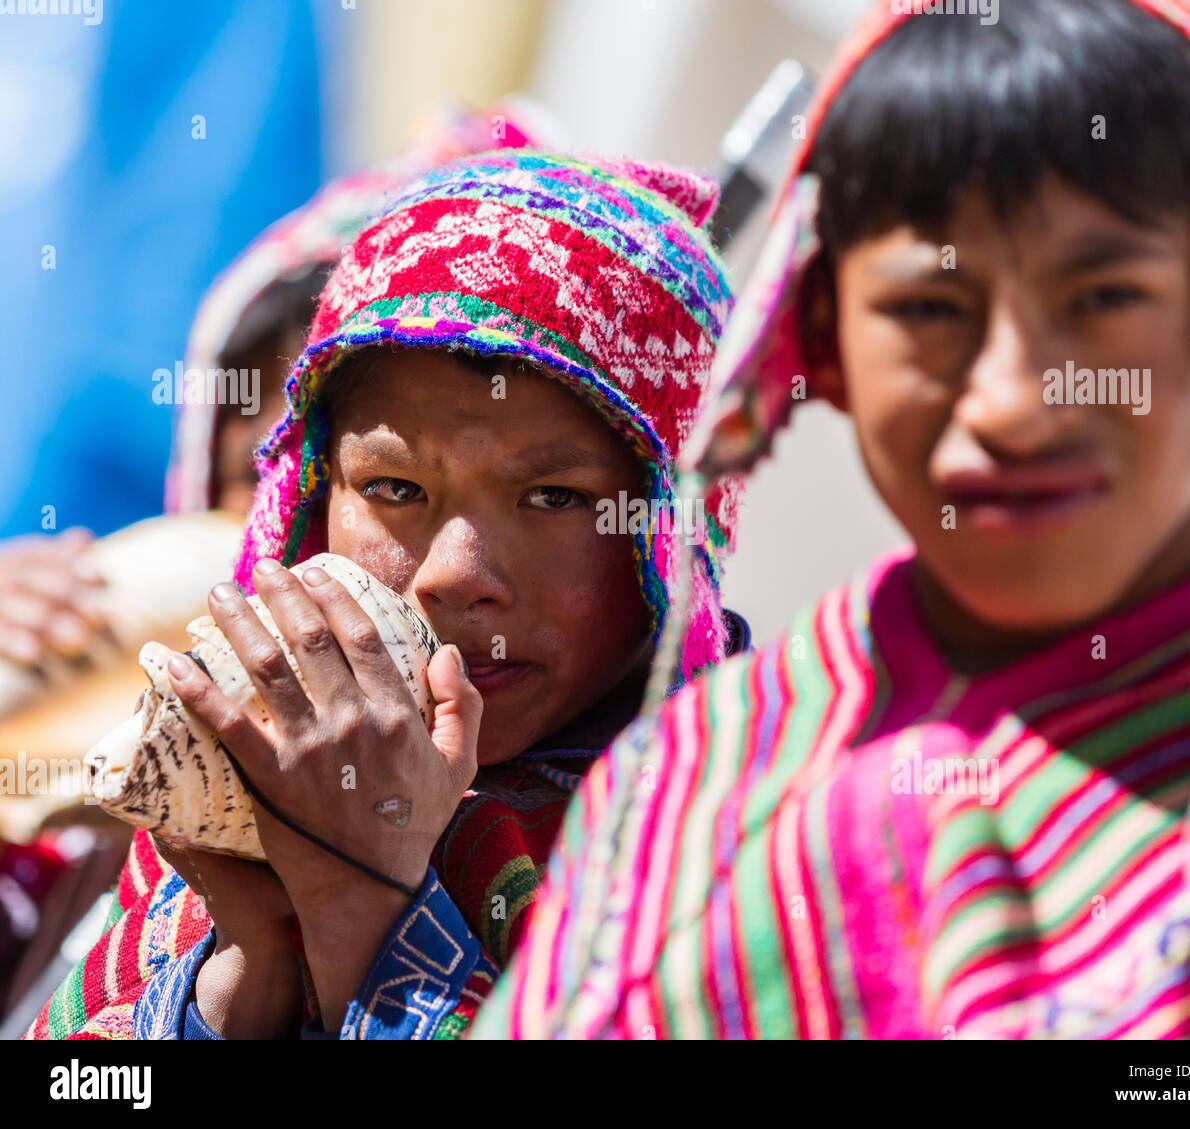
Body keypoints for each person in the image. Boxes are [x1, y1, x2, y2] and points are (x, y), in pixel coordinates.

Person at [471, 0, 1190, 1040]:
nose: (1013, 403)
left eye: (1102, 298)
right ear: (818, 339)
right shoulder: (698, 780)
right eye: (931, 310)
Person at [25, 150, 746, 1040]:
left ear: (671, 531)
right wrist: (248, 972)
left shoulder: (732, 861)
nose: (455, 572)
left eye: (555, 498)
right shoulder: (228, 806)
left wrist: (365, 914)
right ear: (307, 503)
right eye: (394, 489)